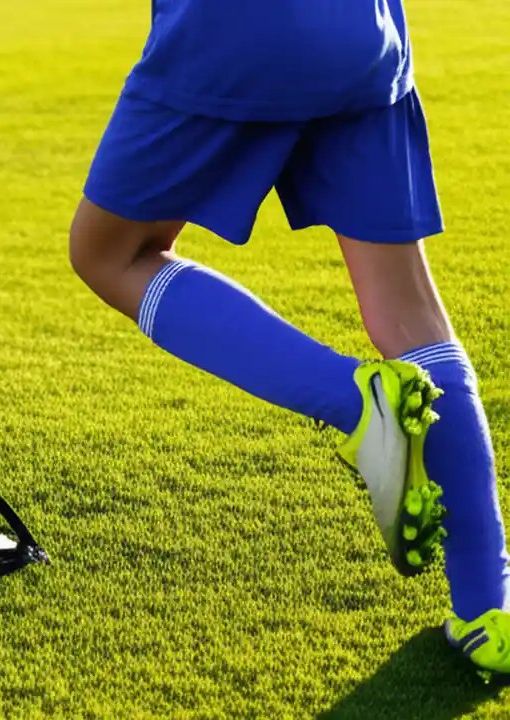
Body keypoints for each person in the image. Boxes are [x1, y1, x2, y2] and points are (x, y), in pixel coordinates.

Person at [69, 1, 510, 677]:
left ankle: (357, 402)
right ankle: (489, 609)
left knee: (110, 254)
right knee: (409, 311)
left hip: (233, 31)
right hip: (365, 35)